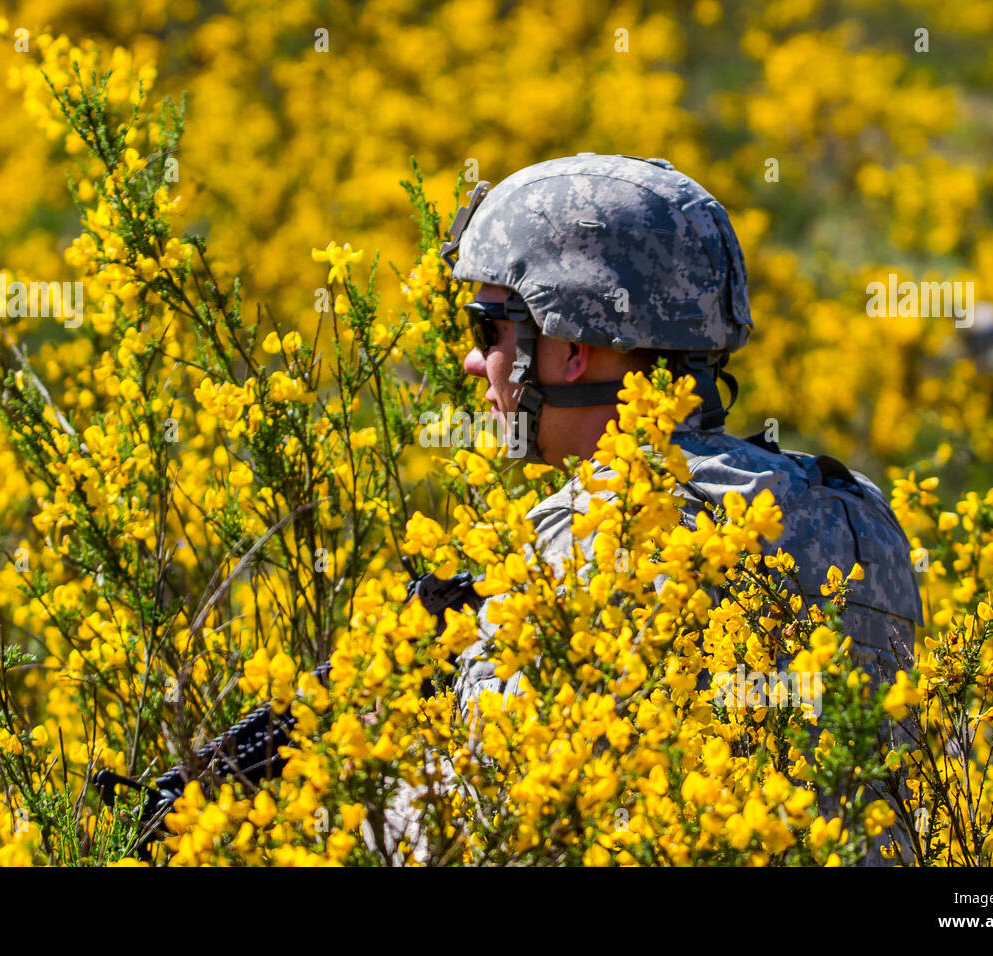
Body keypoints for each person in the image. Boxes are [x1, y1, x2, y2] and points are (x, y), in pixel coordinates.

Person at [381, 153, 923, 864]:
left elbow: (501, 816)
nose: (473, 362)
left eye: (490, 330)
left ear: (572, 347)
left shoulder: (598, 536)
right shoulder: (854, 506)